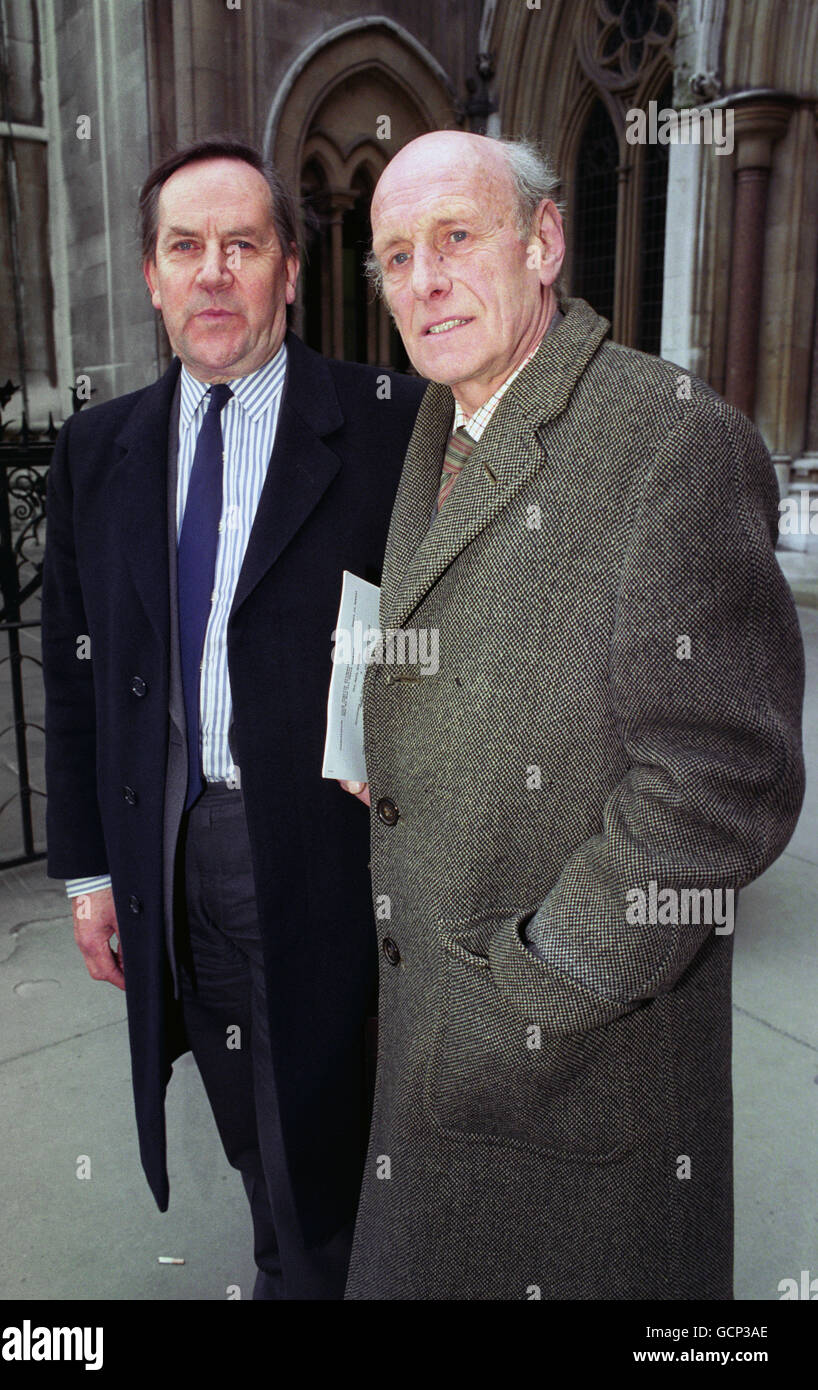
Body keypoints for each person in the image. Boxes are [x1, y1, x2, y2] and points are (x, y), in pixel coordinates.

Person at [340, 129, 805, 1300]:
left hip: (570, 1071)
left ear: (542, 241)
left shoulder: (670, 439)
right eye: (395, 257)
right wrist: (385, 738)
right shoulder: (442, 419)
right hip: (430, 1044)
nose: (425, 280)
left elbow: (721, 788)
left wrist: (536, 991)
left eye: (455, 237)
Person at [41, 136, 424, 1300]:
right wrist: (88, 875)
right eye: (183, 248)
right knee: (243, 1113)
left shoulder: (392, 425)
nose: (212, 273)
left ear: (290, 270)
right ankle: (290, 1258)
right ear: (151, 276)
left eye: (241, 246)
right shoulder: (96, 451)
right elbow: (71, 671)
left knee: (334, 1121)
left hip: (324, 850)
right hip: (171, 849)